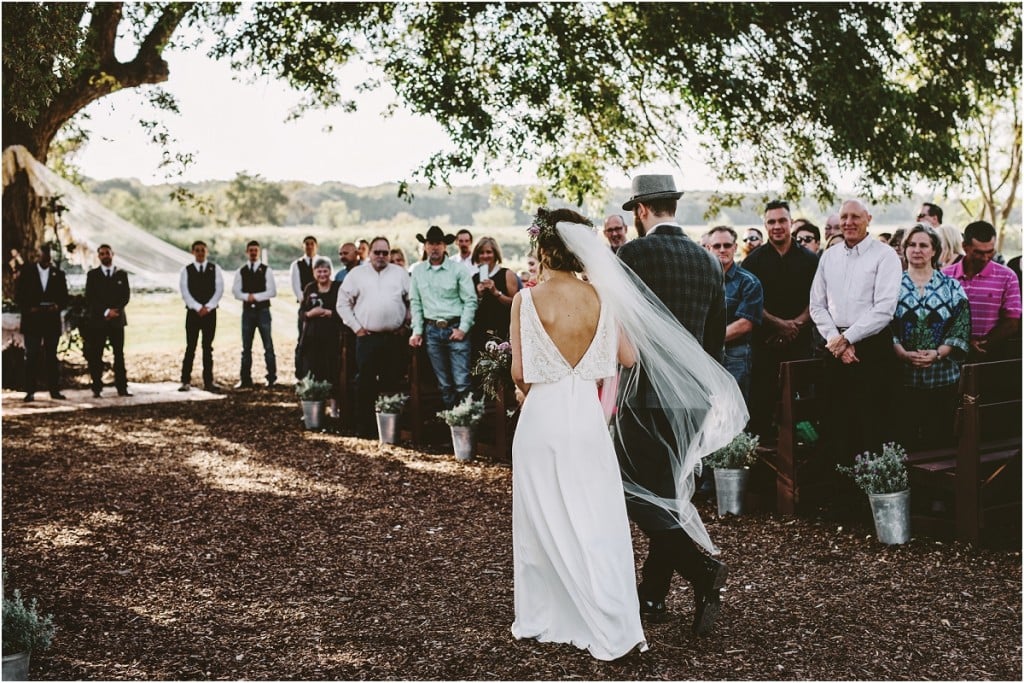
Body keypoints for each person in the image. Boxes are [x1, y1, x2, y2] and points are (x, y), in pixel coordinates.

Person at [509, 208, 648, 660]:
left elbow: (521, 372)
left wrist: (521, 388)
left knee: (542, 518)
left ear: (544, 247)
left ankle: (545, 615)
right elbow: (628, 358)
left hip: (542, 418)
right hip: (587, 419)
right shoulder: (602, 298)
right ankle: (608, 617)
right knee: (595, 518)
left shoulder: (526, 300)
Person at [618, 175, 745, 637]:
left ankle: (700, 570)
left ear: (641, 211)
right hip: (693, 396)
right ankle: (651, 594)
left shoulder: (632, 255)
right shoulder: (708, 262)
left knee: (630, 489)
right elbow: (714, 344)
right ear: (671, 206)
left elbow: (619, 330)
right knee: (668, 494)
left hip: (644, 395)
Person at [810, 199, 902, 465]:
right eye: (844, 217)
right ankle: (836, 490)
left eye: (855, 217)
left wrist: (848, 338)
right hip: (833, 346)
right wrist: (834, 339)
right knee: (835, 419)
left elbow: (885, 308)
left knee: (871, 421)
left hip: (872, 347)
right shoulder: (829, 255)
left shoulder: (885, 256)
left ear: (868, 219)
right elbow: (817, 304)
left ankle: (869, 494)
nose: (848, 222)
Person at [742, 200, 819, 440]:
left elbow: (818, 298)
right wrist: (779, 325)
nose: (777, 226)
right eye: (771, 221)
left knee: (803, 410)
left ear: (791, 223)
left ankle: (805, 463)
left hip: (801, 344)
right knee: (761, 407)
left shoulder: (810, 260)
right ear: (765, 225)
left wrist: (795, 325)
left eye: (782, 220)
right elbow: (751, 302)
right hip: (765, 345)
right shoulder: (753, 262)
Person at [891, 225, 971, 449]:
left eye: (923, 245)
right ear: (904, 249)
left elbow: (961, 325)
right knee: (903, 442)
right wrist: (901, 352)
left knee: (940, 441)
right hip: (902, 379)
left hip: (942, 378)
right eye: (912, 245)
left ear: (934, 250)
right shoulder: (890, 286)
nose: (917, 250)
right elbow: (883, 325)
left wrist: (938, 353)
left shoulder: (951, 286)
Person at [338, 236, 411, 438]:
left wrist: (406, 324)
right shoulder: (357, 274)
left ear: (389, 253)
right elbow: (342, 303)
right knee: (365, 383)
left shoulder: (400, 274)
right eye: (376, 252)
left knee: (393, 381)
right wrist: (357, 328)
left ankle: (391, 429)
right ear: (369, 253)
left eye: (385, 252)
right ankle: (365, 429)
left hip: (394, 338)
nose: (381, 256)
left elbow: (413, 301)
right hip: (367, 338)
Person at [408, 225, 478, 409]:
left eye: (438, 243)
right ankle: (452, 424)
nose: (435, 247)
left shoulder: (458, 270)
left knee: (462, 382)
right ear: (425, 246)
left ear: (445, 246)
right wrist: (417, 331)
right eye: (431, 243)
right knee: (444, 384)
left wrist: (463, 328)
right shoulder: (418, 271)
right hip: (432, 331)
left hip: (455, 328)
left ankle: (467, 424)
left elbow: (470, 300)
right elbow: (415, 302)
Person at [941, 220, 1022, 362]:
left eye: (990, 252)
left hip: (990, 354)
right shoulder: (945, 276)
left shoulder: (1007, 276)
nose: (985, 258)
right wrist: (962, 342)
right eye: (978, 252)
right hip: (949, 354)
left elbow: (1012, 322)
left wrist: (982, 344)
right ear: (965, 247)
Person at [707, 226, 763, 405]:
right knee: (708, 411)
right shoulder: (702, 280)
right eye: (717, 246)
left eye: (726, 245)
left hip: (735, 355)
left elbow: (745, 324)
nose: (722, 250)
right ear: (708, 248)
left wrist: (709, 339)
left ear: (735, 247)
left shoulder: (749, 282)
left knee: (734, 410)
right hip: (705, 355)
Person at [15, 244, 69, 401]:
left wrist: (57, 306)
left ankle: (54, 390)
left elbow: (64, 297)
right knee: (31, 355)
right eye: (43, 255)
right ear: (37, 256)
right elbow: (19, 295)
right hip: (33, 320)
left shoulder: (58, 274)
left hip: (51, 321)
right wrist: (29, 308)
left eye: (48, 255)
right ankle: (30, 391)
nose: (46, 258)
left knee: (52, 356)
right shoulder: (27, 272)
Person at [84, 243, 131, 397]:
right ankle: (97, 388)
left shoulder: (121, 274)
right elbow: (90, 298)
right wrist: (105, 311)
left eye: (107, 253)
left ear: (113, 254)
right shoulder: (93, 275)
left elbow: (125, 296)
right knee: (97, 354)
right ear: (99, 256)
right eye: (102, 254)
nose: (105, 256)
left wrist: (115, 310)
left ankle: (122, 387)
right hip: (99, 320)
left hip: (117, 319)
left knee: (119, 354)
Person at [178, 240, 224, 392]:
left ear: (207, 251)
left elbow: (219, 290)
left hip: (210, 313)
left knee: (207, 348)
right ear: (193, 252)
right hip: (193, 313)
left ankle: (208, 381)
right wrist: (198, 307)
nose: (200, 253)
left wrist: (209, 306)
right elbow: (185, 291)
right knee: (190, 347)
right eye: (197, 250)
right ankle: (185, 381)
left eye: (202, 250)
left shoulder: (214, 269)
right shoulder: (186, 270)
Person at [232, 240, 278, 389]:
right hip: (247, 312)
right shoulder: (241, 271)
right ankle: (245, 378)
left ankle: (271, 378)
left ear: (258, 252)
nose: (253, 253)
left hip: (263, 311)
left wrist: (255, 297)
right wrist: (247, 297)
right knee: (246, 347)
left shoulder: (266, 270)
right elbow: (236, 291)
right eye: (251, 250)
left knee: (268, 345)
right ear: (247, 252)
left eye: (255, 250)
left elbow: (272, 291)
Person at [298, 257, 343, 409]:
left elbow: (344, 311)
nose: (322, 274)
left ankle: (335, 408)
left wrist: (328, 312)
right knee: (312, 372)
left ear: (330, 272)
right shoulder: (310, 288)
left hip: (332, 337)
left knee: (333, 372)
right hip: (312, 338)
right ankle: (314, 408)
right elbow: (302, 312)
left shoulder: (338, 287)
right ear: (314, 272)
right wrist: (311, 314)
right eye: (319, 271)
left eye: (325, 271)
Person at [470, 236, 520, 355]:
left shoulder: (506, 274)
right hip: (480, 330)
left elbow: (514, 303)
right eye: (481, 252)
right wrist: (479, 295)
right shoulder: (475, 278)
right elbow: (471, 306)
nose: (485, 256)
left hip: (502, 328)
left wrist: (496, 292)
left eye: (489, 252)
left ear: (495, 254)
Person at [290, 235, 319, 379]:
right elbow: (296, 285)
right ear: (303, 246)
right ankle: (300, 373)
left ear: (316, 246)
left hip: (320, 307)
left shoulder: (321, 262)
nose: (309, 246)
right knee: (302, 339)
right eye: (306, 244)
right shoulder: (297, 264)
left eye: (312, 244)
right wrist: (306, 303)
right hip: (304, 306)